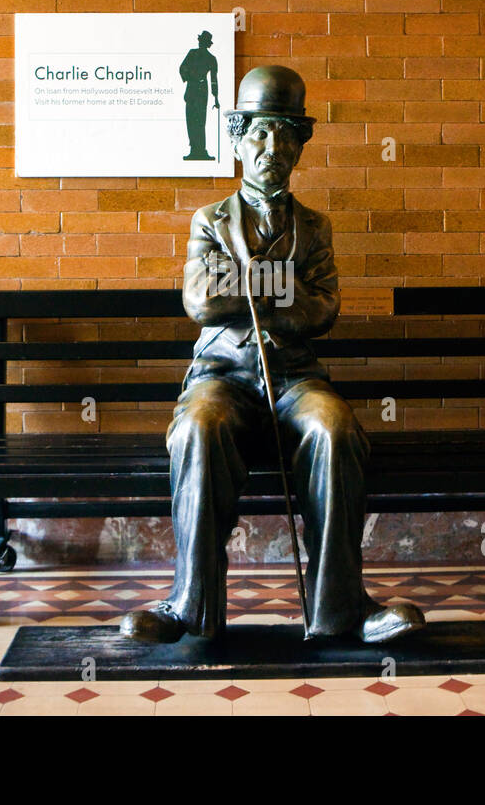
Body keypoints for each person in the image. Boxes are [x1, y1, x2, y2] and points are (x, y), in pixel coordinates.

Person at [120, 65, 426, 644]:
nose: (273, 147)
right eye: (260, 132)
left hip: (292, 379)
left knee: (335, 428)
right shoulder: (208, 221)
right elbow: (201, 301)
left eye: (287, 134)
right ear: (237, 138)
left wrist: (250, 282)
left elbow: (323, 310)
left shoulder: (315, 226)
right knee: (197, 428)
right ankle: (190, 605)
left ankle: (341, 608)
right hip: (223, 376)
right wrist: (281, 284)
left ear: (300, 147)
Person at [179, 31, 219, 160]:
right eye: (200, 40)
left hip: (202, 89)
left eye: (202, 41)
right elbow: (182, 68)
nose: (200, 42)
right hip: (192, 88)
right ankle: (193, 149)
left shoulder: (211, 58)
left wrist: (216, 97)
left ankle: (201, 150)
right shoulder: (192, 53)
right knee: (190, 119)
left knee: (200, 120)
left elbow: (214, 79)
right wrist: (190, 77)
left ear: (206, 43)